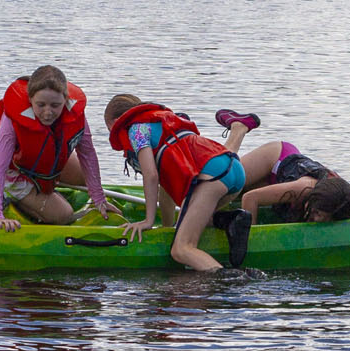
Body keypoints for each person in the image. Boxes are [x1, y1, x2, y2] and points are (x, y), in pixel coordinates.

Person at [102, 94, 253, 270]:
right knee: (187, 223)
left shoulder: (136, 130)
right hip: (232, 167)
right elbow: (164, 186)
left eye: (109, 129)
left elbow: (151, 175)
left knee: (181, 249)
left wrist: (148, 221)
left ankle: (233, 283)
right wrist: (167, 229)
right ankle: (229, 219)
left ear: (115, 122)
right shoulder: (159, 122)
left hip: (213, 177)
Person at [0, 65, 113, 232]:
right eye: (40, 105)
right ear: (30, 100)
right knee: (64, 215)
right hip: (8, 167)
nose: (48, 112)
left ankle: (40, 189)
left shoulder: (74, 113)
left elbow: (87, 154)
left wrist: (99, 198)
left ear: (66, 99)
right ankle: (11, 196)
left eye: (55, 105)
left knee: (82, 176)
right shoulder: (12, 119)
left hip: (39, 159)